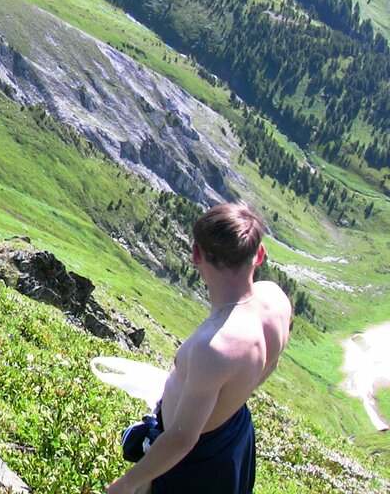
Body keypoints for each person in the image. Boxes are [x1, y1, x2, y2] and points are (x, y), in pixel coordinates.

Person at [107, 202, 293, 494]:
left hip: (193, 460)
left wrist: (128, 483)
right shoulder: (276, 299)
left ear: (196, 254)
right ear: (259, 255)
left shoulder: (215, 347)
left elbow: (182, 439)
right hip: (234, 433)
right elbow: (269, 365)